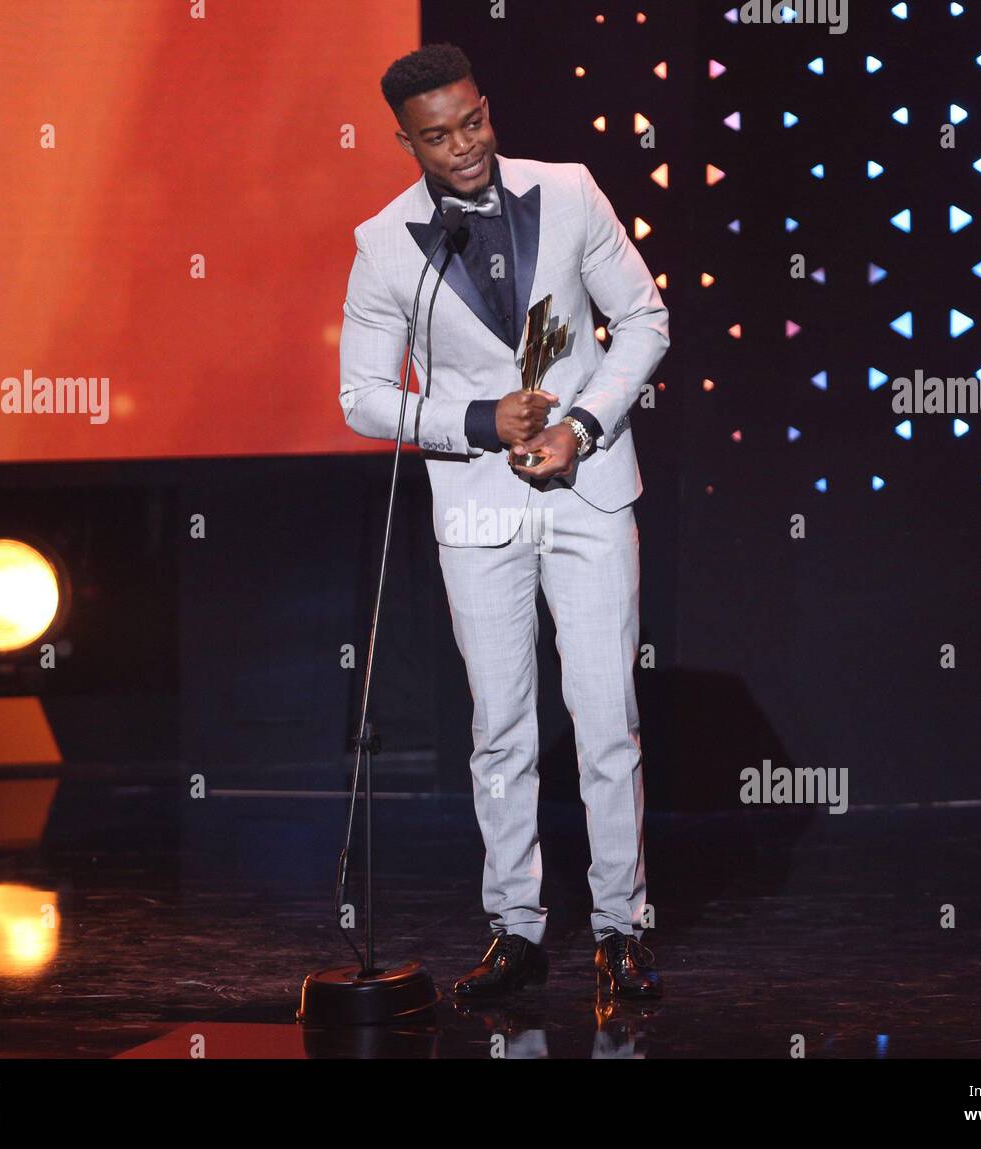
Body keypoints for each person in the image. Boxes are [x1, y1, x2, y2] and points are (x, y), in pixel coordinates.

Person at [338, 42, 669, 999]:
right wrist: (478, 421)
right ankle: (516, 931)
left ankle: (621, 926)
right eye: (438, 138)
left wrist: (582, 423)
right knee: (501, 731)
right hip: (476, 508)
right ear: (408, 143)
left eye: (473, 121)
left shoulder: (568, 191)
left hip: (590, 489)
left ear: (486, 106)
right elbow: (361, 397)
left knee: (607, 721)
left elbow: (643, 320)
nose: (465, 147)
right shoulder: (383, 243)